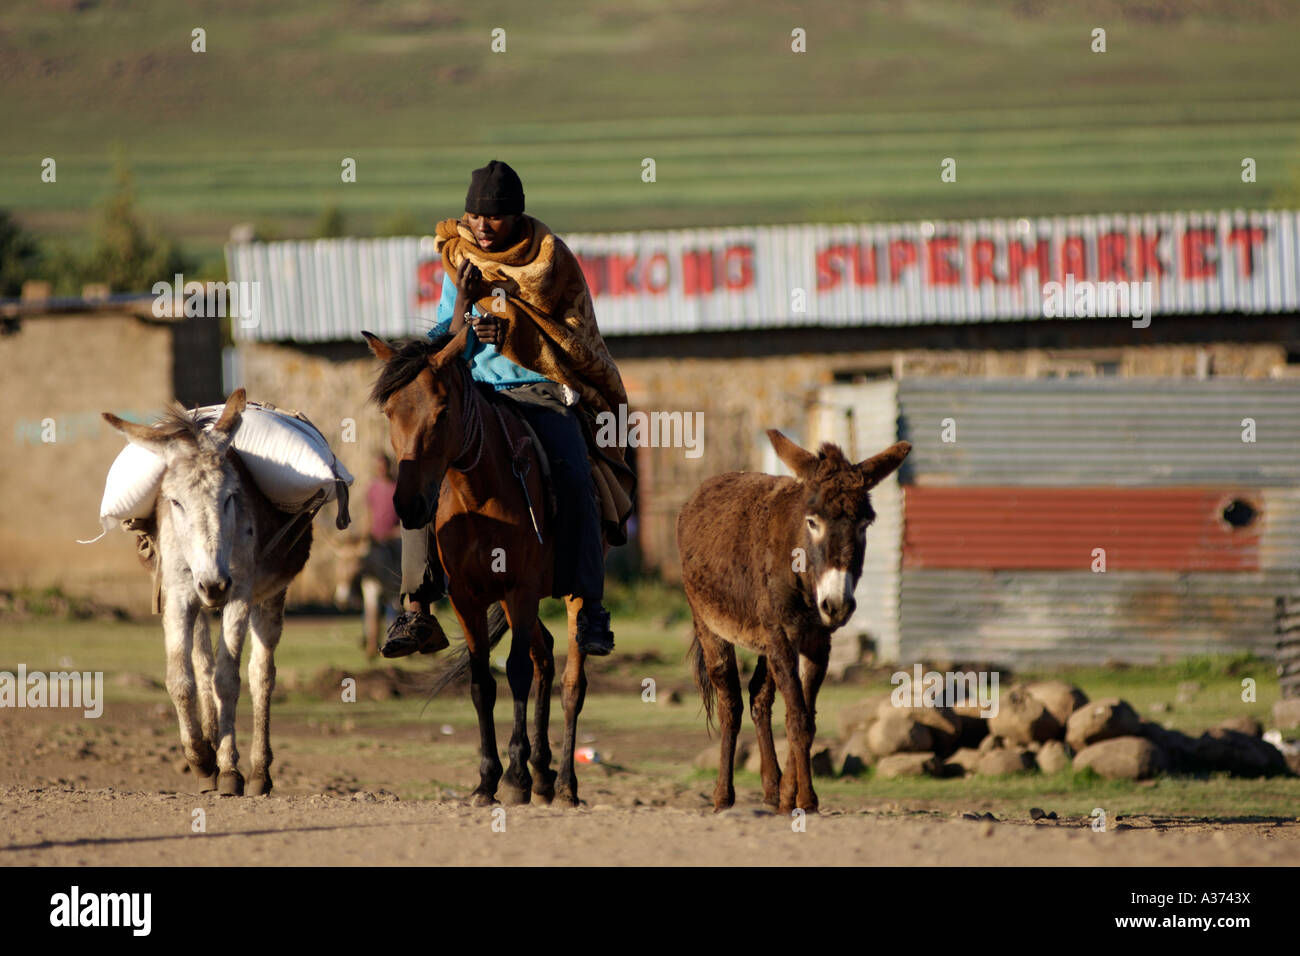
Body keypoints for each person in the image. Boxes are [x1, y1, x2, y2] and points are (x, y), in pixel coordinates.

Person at [381, 159, 633, 659]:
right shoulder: (460, 262)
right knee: (420, 465)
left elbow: (573, 336)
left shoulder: (550, 263)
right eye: (474, 216)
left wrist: (514, 336)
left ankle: (591, 607)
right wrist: (463, 314)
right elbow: (440, 345)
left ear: (516, 216)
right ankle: (417, 608)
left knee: (573, 472)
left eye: (493, 217)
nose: (482, 227)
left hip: (539, 391)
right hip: (473, 394)